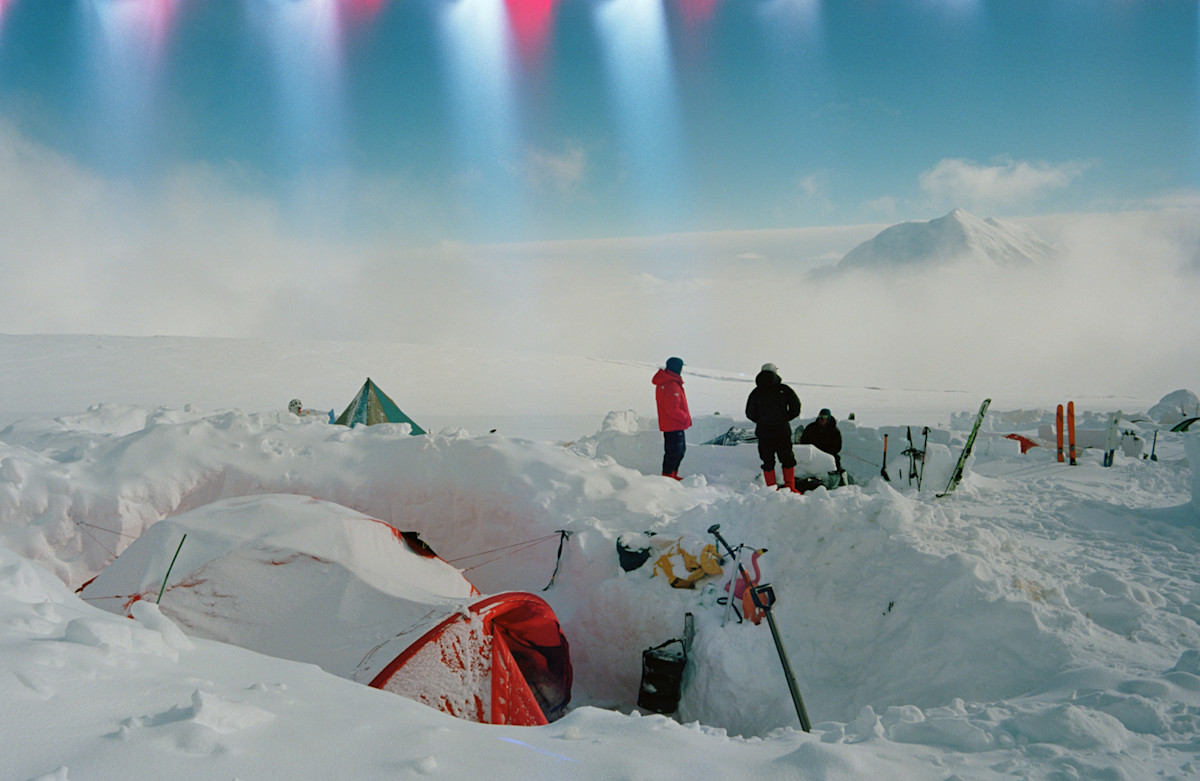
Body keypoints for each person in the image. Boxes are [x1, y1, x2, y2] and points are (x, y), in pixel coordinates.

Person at [745, 363, 802, 491]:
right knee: (787, 458)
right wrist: (784, 418)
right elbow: (796, 407)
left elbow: (749, 413)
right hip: (782, 430)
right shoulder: (784, 389)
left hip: (764, 432)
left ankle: (771, 490)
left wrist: (761, 420)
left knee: (767, 461)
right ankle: (790, 488)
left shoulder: (756, 392)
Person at [652, 357, 692, 480]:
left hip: (674, 424)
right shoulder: (670, 384)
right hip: (674, 424)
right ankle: (668, 477)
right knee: (674, 452)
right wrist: (685, 418)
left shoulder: (671, 382)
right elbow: (672, 409)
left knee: (679, 451)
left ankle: (672, 475)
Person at [800, 408, 843, 473]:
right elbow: (804, 442)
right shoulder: (811, 428)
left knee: (836, 461)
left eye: (824, 417)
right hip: (813, 455)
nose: (822, 419)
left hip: (828, 455)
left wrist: (824, 452)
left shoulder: (834, 431)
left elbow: (837, 447)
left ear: (828, 418)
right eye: (820, 416)